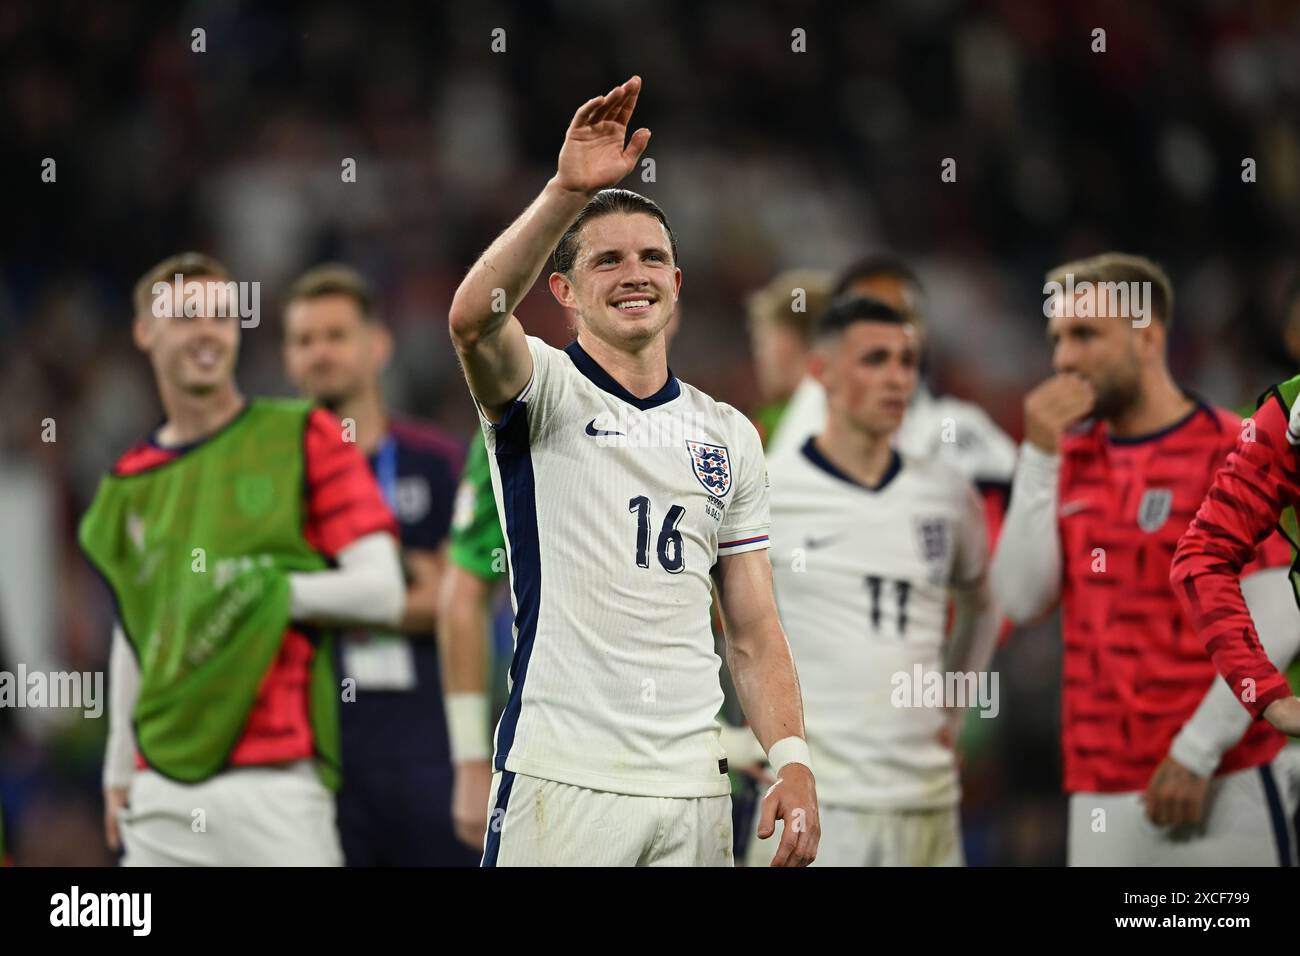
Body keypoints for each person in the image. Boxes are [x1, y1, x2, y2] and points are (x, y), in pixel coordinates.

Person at [447, 75, 819, 866]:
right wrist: (564, 191)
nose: (635, 273)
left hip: (693, 788)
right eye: (607, 261)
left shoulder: (730, 434)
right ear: (565, 290)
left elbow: (751, 631)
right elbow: (473, 318)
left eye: (653, 258)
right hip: (563, 780)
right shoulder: (541, 386)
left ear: (677, 286)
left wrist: (791, 757)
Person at [86, 252, 404, 866]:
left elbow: (383, 589)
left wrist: (271, 587)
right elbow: (136, 629)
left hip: (277, 783)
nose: (207, 332)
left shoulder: (302, 436)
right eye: (185, 317)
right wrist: (117, 765)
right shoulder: (125, 485)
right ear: (144, 332)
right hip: (159, 791)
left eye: (222, 317)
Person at [991, 252, 1299, 866]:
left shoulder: (1228, 442)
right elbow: (1023, 600)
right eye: (1057, 339)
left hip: (1224, 777)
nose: (1063, 360)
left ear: (1147, 337)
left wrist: (1197, 750)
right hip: (1100, 788)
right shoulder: (1064, 459)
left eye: (1084, 335)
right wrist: (1038, 458)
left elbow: (1280, 608)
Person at [752, 295, 999, 866]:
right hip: (818, 804)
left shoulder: (945, 492)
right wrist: (748, 733)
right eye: (875, 359)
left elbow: (983, 604)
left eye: (908, 361)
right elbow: (734, 624)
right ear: (822, 372)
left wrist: (955, 710)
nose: (897, 378)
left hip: (928, 801)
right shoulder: (769, 487)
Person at [282, 264, 475, 866]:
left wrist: (325, 592)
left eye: (336, 335)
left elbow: (459, 600)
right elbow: (263, 604)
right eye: (304, 340)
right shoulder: (273, 476)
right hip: (313, 751)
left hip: (429, 747)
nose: (319, 353)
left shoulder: (435, 459)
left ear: (378, 345)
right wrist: (401, 578)